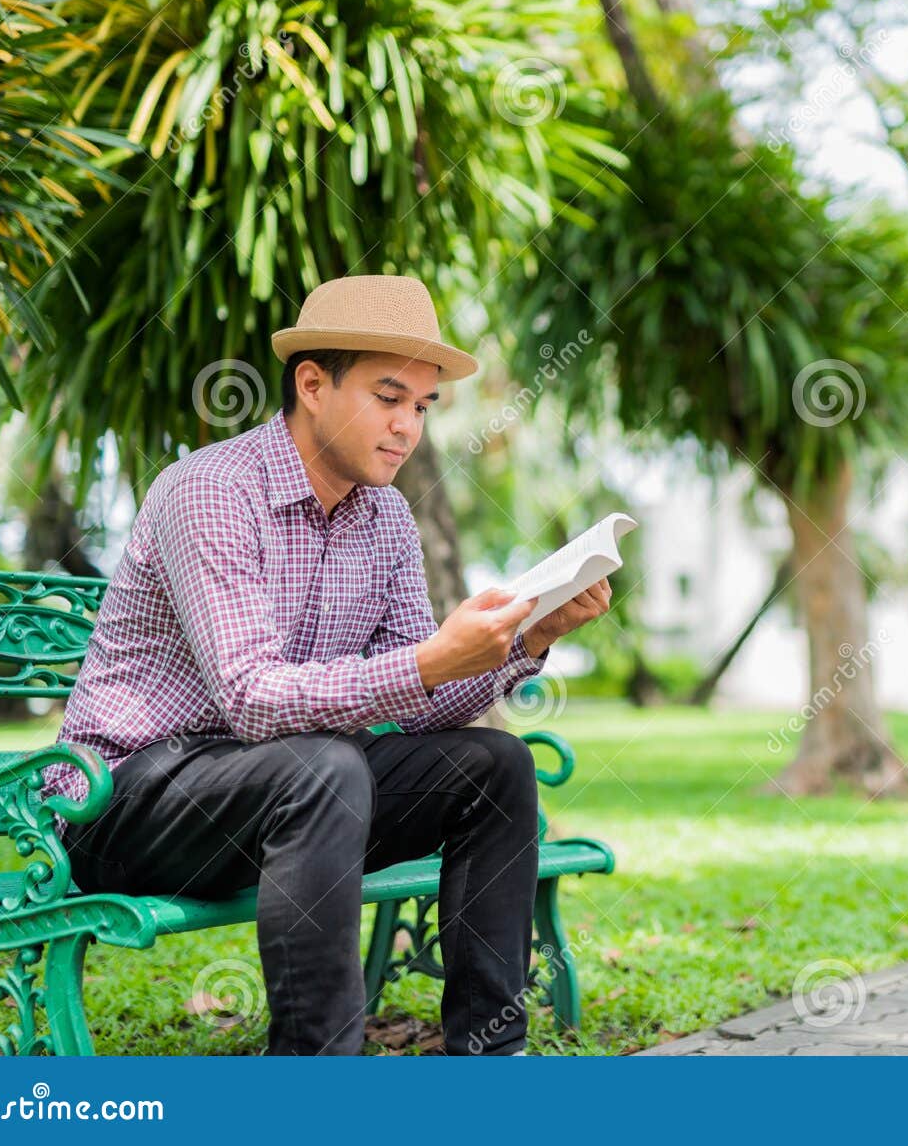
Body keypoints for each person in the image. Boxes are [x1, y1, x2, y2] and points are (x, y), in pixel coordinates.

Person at [40, 274, 611, 1056]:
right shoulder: (210, 491)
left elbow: (419, 703)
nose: (407, 426)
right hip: (122, 803)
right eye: (388, 396)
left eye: (421, 405)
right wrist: (428, 660)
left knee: (496, 762)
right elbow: (251, 700)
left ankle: (488, 1059)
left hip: (283, 796)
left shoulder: (386, 518)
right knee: (323, 770)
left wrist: (525, 641)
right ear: (312, 384)